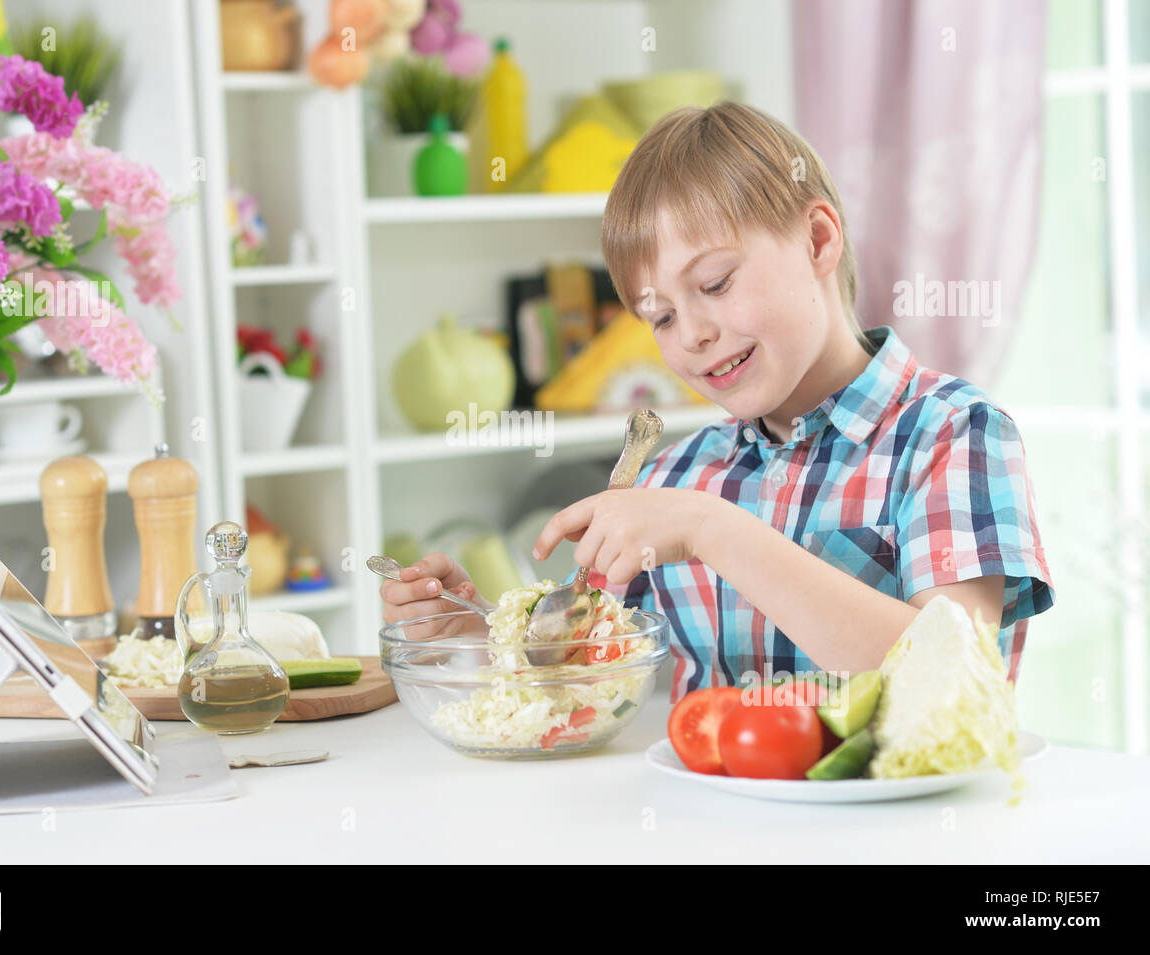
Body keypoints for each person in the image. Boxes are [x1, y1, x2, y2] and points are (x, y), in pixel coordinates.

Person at [379, 102, 1054, 695]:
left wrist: (714, 530)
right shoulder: (677, 477)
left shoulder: (952, 435)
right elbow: (578, 672)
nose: (694, 334)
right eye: (662, 317)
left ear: (818, 239)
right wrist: (468, 634)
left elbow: (952, 676)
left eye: (716, 283)